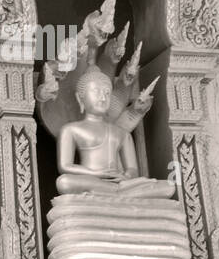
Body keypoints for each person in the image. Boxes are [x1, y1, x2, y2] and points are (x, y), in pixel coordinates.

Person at [56, 66, 174, 199]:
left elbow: (133, 170)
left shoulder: (122, 134)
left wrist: (125, 176)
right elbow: (65, 166)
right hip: (91, 179)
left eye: (107, 93)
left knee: (169, 186)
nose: (102, 97)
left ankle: (116, 191)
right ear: (80, 98)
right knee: (64, 182)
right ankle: (118, 193)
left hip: (120, 183)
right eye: (96, 91)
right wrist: (97, 173)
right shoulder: (70, 129)